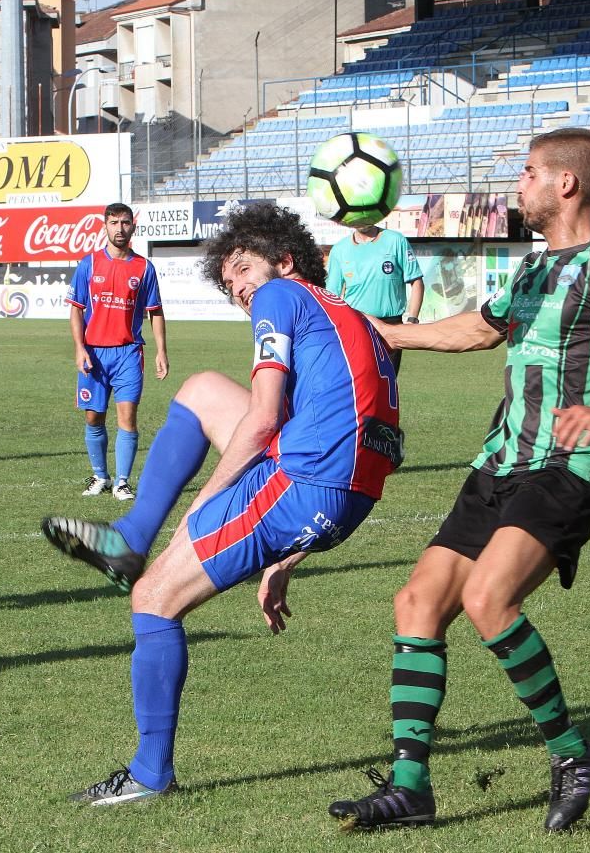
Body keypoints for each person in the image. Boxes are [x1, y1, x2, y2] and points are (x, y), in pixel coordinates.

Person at [329, 128, 590, 832]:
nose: (517, 187)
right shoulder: (530, 271)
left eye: (527, 174)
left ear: (566, 185)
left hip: (566, 469)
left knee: (489, 599)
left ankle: (571, 753)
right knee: (417, 604)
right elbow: (478, 331)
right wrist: (386, 333)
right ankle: (409, 788)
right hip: (498, 463)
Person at [42, 202, 403, 805]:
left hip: (307, 482)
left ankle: (149, 775)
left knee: (154, 598)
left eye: (242, 269)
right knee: (202, 388)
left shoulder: (280, 297)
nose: (235, 286)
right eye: (226, 279)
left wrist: (204, 503)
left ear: (286, 262)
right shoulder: (350, 316)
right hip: (346, 489)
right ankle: (131, 535)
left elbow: (263, 420)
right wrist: (292, 555)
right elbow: (373, 433)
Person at [67, 203, 168, 501]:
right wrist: (79, 348)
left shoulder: (144, 268)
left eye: (125, 223)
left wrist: (162, 350)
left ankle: (122, 482)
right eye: (114, 223)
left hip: (128, 353)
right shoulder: (89, 264)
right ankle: (100, 476)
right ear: (105, 226)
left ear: (133, 227)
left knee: (127, 419)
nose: (119, 228)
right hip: (94, 355)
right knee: (93, 419)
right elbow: (76, 310)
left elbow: (156, 312)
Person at [325, 223, 423, 373]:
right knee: (361, 380)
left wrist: (412, 319)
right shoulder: (339, 249)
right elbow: (331, 296)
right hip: (357, 324)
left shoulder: (396, 240)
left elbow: (416, 281)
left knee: (388, 379)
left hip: (392, 325)